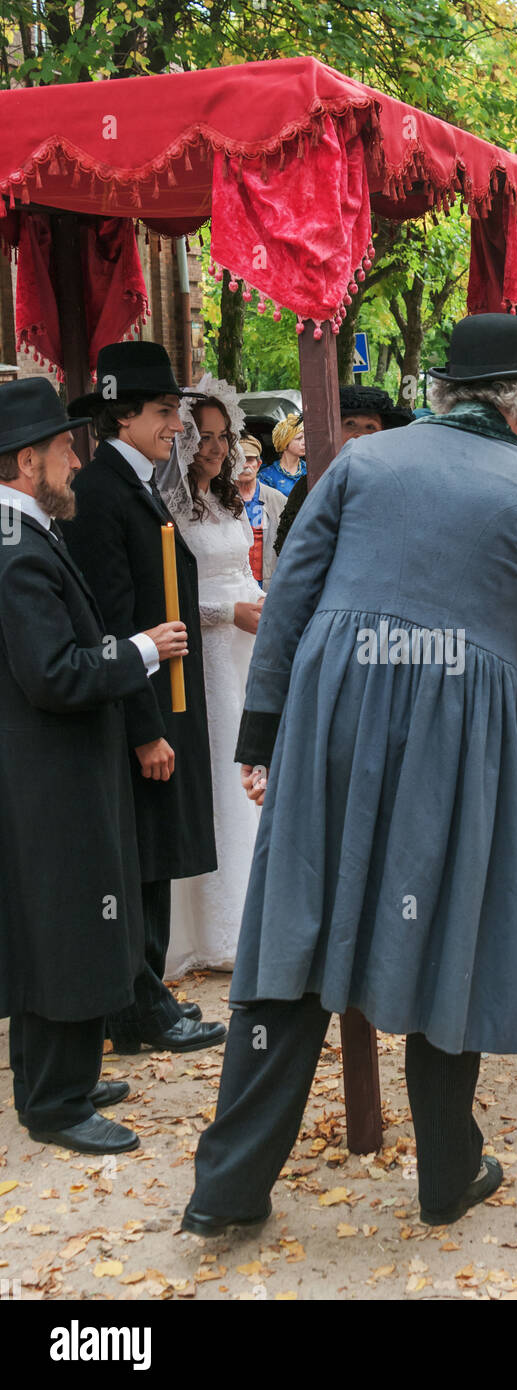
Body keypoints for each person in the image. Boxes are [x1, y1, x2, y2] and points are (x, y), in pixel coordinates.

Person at [182, 312, 517, 1236]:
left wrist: (261, 731)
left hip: (336, 707)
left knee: (295, 927)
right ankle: (447, 1175)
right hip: (462, 731)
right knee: (445, 929)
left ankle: (225, 1188)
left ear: (449, 393)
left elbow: (291, 597)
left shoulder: (364, 464)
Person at [0, 379, 189, 1154]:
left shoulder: (29, 536)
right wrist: (142, 650)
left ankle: (67, 1079)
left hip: (60, 774)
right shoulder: (17, 555)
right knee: (59, 931)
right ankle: (53, 1102)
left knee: (70, 927)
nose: (75, 463)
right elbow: (54, 673)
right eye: (62, 451)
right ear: (23, 462)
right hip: (48, 781)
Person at [63, 342, 226, 1055]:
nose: (176, 427)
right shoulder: (104, 491)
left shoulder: (134, 482)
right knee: (143, 860)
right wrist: (144, 727)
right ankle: (139, 1005)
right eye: (164, 412)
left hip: (167, 696)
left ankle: (146, 994)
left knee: (155, 857)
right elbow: (114, 617)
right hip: (146, 705)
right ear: (122, 417)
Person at [156, 376, 265, 975]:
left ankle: (250, 909)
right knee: (220, 764)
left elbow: (238, 573)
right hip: (205, 652)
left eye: (224, 437)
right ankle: (212, 926)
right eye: (203, 436)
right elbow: (170, 595)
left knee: (249, 763)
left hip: (245, 646)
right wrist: (228, 614)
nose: (215, 449)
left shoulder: (228, 501)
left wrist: (260, 603)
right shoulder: (169, 506)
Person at [274, 386, 413, 557]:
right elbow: (287, 548)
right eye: (350, 424)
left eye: (370, 426)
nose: (359, 434)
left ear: (383, 433)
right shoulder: (311, 484)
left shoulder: (397, 485)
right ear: (335, 430)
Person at [236, 434, 286, 590]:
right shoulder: (221, 499)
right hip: (236, 583)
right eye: (240, 460)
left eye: (250, 460)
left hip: (267, 582)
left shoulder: (276, 499)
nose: (246, 465)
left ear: (258, 464)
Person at [258, 413, 306, 496]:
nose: (304, 442)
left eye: (305, 437)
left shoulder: (310, 471)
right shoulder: (266, 476)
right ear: (284, 443)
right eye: (299, 438)